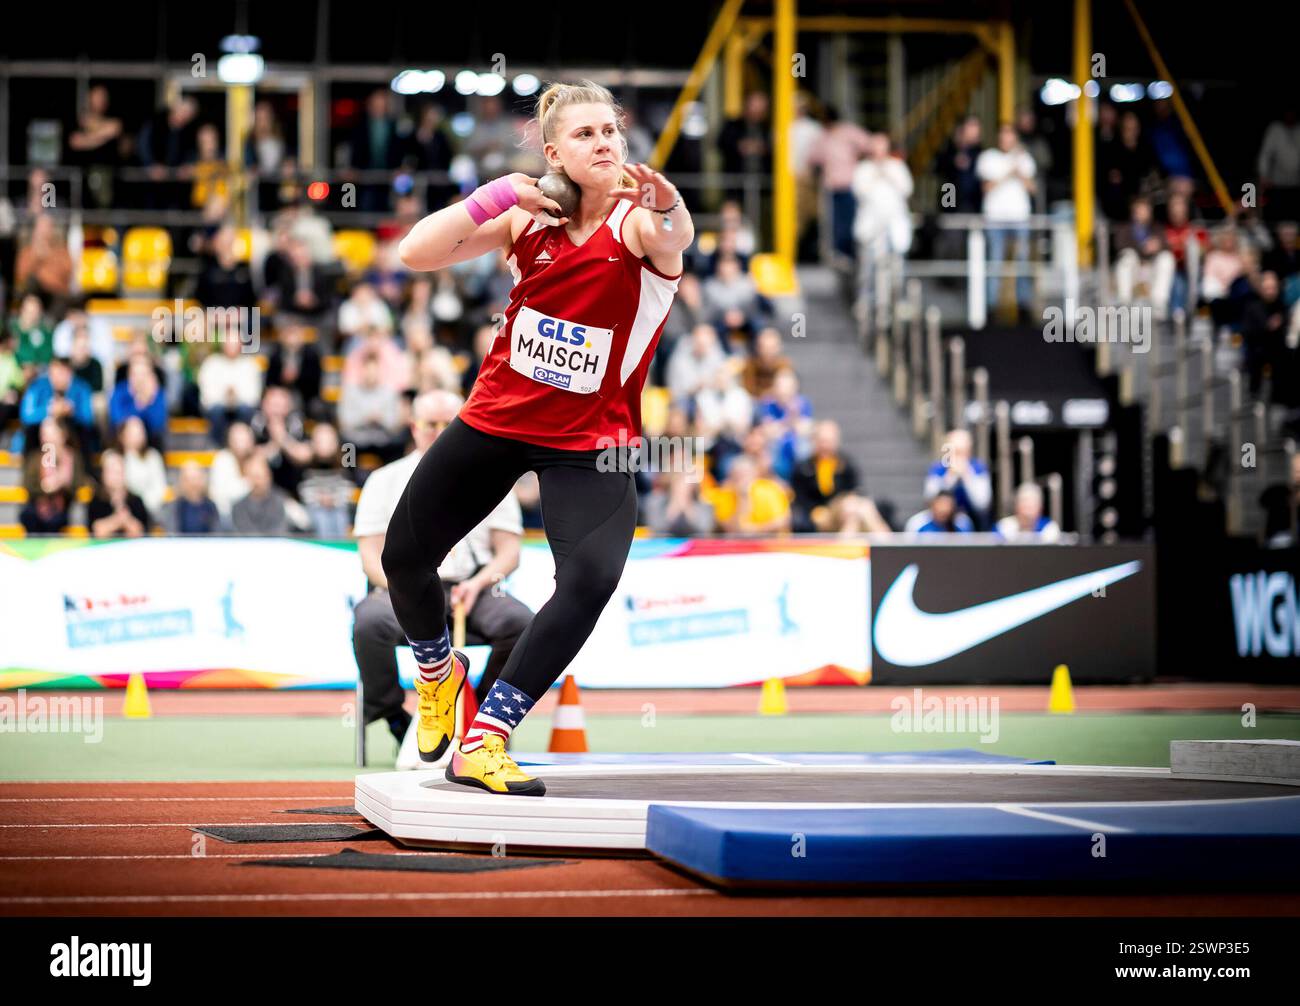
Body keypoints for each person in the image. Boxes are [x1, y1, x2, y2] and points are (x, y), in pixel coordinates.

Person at [386, 80, 692, 795]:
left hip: (591, 442)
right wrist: (495, 197)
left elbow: (677, 238)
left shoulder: (638, 225)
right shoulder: (531, 219)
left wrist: (669, 205)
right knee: (405, 558)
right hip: (496, 419)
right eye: (585, 135)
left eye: (612, 131)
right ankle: (437, 673)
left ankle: (486, 738)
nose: (606, 144)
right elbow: (414, 254)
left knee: (591, 580)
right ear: (553, 152)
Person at [352, 390, 534, 749]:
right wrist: (401, 590)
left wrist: (481, 582)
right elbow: (369, 554)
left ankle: (484, 715)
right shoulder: (384, 479)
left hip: (473, 588)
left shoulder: (492, 475)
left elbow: (509, 552)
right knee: (369, 623)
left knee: (520, 623)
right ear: (413, 427)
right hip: (405, 591)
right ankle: (394, 716)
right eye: (429, 424)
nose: (438, 432)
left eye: (447, 424)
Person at [976, 123, 1037, 318]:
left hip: (1020, 217)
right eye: (1002, 135)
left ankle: (1024, 306)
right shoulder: (988, 158)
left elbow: (1032, 188)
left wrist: (1018, 170)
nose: (1005, 139)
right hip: (995, 218)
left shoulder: (1024, 158)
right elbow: (987, 187)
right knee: (995, 262)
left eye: (1009, 135)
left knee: (1022, 261)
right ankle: (991, 308)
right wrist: (1008, 171)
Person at [923, 428, 992, 529]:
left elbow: (982, 504)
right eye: (954, 451)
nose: (958, 456)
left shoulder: (978, 468)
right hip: (941, 523)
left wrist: (967, 475)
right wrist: (950, 477)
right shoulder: (938, 468)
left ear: (969, 450)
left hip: (975, 522)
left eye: (961, 451)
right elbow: (929, 499)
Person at [88, 450, 151, 539]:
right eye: (112, 471)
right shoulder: (96, 501)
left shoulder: (136, 501)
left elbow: (140, 532)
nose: (116, 476)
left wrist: (121, 521)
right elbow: (97, 532)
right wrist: (119, 520)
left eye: (118, 471)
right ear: (103, 474)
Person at [995, 482, 1061, 542]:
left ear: (1040, 508)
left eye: (1032, 505)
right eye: (1024, 504)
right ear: (1016, 506)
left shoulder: (1049, 528)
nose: (1028, 510)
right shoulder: (1003, 527)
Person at [905, 488, 974, 533]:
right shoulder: (917, 523)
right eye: (941, 504)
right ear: (932, 505)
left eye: (948, 505)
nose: (944, 509)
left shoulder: (962, 522)